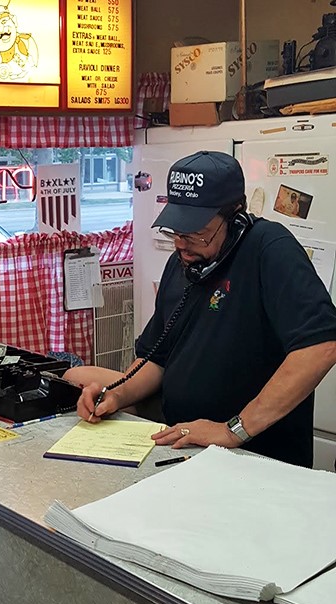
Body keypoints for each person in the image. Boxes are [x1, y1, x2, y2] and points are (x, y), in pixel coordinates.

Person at [65, 150, 336, 467]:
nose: (181, 244)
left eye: (195, 233)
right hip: (183, 447)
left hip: (254, 458)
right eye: (176, 231)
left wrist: (232, 430)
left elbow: (321, 346)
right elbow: (157, 360)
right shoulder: (182, 263)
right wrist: (116, 395)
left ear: (234, 218)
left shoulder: (270, 248)